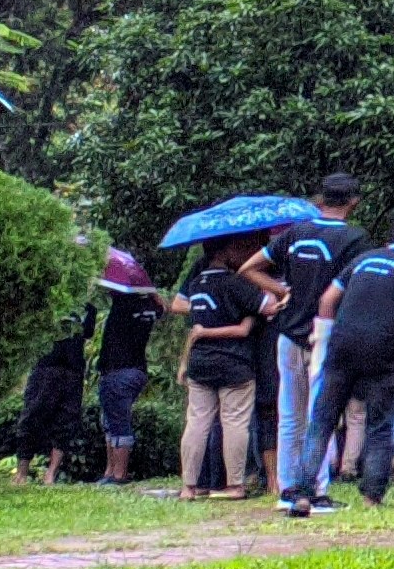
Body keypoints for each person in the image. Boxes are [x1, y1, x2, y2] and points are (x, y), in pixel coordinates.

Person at [291, 208, 394, 514]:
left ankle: (303, 494)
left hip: (342, 346)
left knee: (322, 421)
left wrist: (326, 340)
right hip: (386, 352)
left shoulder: (363, 259)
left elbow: (327, 300)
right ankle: (371, 498)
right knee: (380, 425)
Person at [270, 177, 361, 497]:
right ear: (353, 202)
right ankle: (316, 490)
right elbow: (351, 289)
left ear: (321, 199)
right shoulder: (355, 239)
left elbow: (250, 268)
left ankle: (287, 487)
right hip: (323, 333)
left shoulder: (296, 232)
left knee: (289, 416)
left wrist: (281, 291)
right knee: (319, 415)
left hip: (287, 333)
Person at [176, 238, 272, 500]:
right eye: (238, 248)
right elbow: (269, 306)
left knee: (196, 422)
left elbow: (190, 318)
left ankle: (188, 486)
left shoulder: (195, 285)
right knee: (235, 422)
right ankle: (235, 485)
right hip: (234, 363)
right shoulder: (235, 283)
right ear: (227, 251)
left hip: (200, 362)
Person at [94, 248, 157, 484]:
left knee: (117, 423)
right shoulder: (150, 307)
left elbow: (112, 292)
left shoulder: (122, 305)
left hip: (118, 371)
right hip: (137, 369)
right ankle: (110, 472)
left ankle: (118, 474)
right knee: (111, 419)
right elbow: (162, 308)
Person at [5, 302, 88, 483]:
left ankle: (51, 473)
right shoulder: (53, 299)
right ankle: (21, 473)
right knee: (32, 417)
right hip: (46, 366)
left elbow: (86, 333)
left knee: (66, 421)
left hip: (73, 371)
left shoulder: (87, 307)